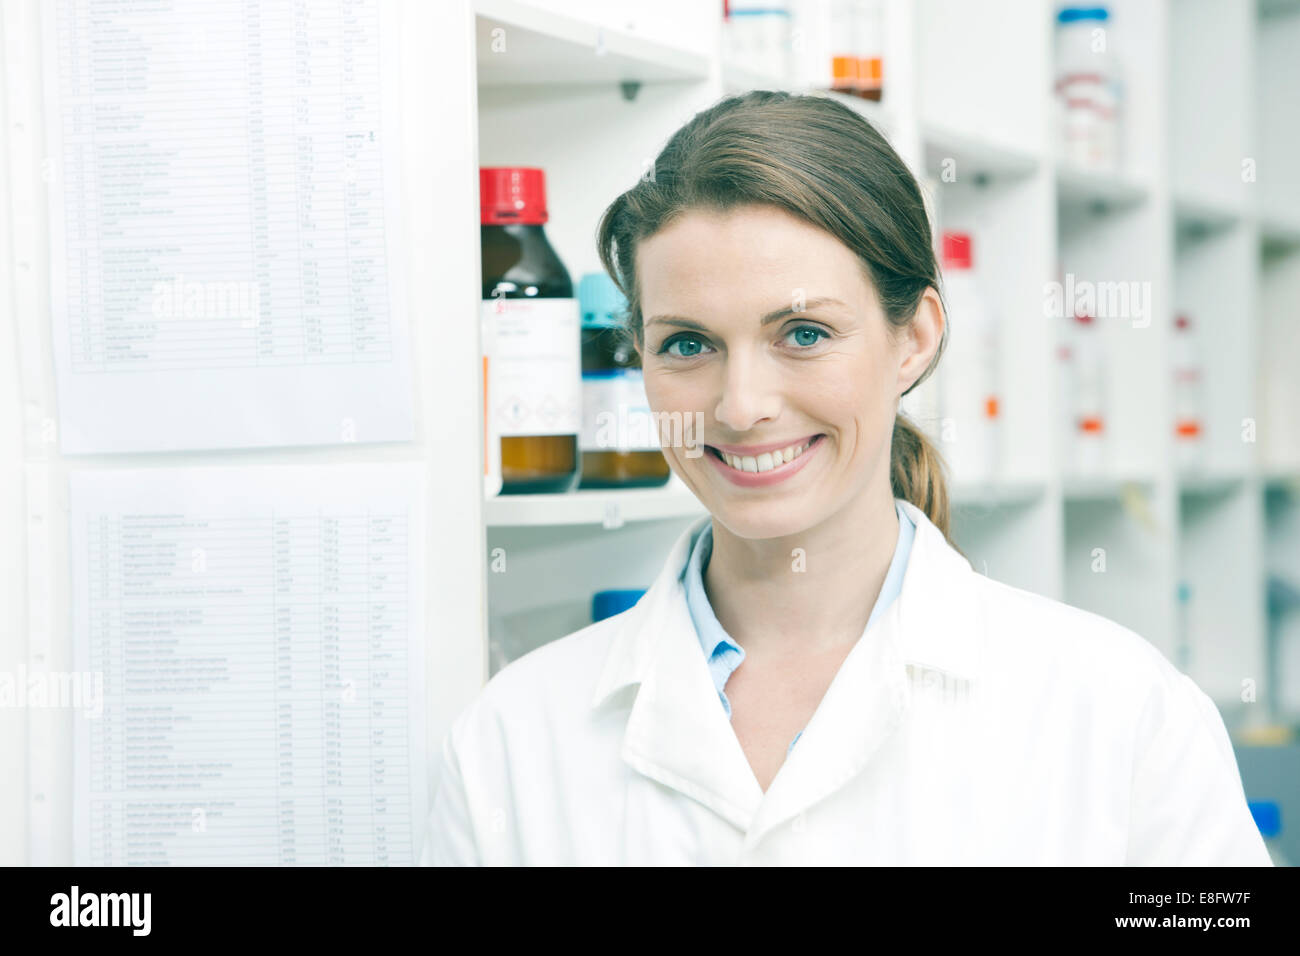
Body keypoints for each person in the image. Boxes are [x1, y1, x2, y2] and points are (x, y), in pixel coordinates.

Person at [421, 91, 1270, 865]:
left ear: (917, 338)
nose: (743, 406)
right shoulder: (510, 744)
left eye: (802, 333)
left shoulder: (1121, 714)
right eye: (687, 344)